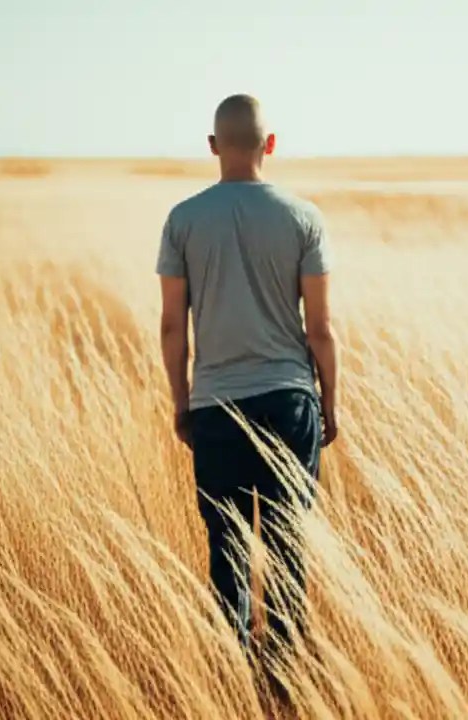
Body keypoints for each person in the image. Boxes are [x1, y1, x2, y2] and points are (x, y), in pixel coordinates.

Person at [155, 94, 340, 693]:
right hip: (289, 403)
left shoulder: (183, 219)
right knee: (287, 545)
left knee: (227, 550)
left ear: (213, 146)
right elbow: (320, 328)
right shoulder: (303, 216)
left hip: (215, 406)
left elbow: (170, 325)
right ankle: (285, 687)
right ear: (271, 144)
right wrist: (329, 404)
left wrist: (182, 403)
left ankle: (231, 684)